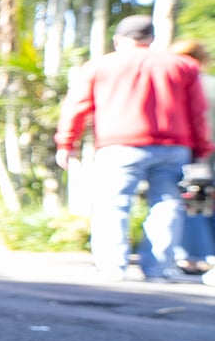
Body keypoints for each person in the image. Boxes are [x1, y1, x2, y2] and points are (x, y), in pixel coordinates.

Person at [57, 15, 211, 282]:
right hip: (173, 146)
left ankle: (112, 267)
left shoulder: (100, 65)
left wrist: (66, 143)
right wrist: (201, 147)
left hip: (119, 146)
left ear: (118, 40)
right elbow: (197, 111)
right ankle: (158, 269)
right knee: (167, 205)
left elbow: (77, 105)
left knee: (113, 204)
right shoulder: (182, 66)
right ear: (150, 39)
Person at [170, 39, 215, 273]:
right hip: (205, 151)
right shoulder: (210, 82)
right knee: (206, 202)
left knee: (193, 203)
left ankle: (194, 256)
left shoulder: (180, 84)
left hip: (194, 152)